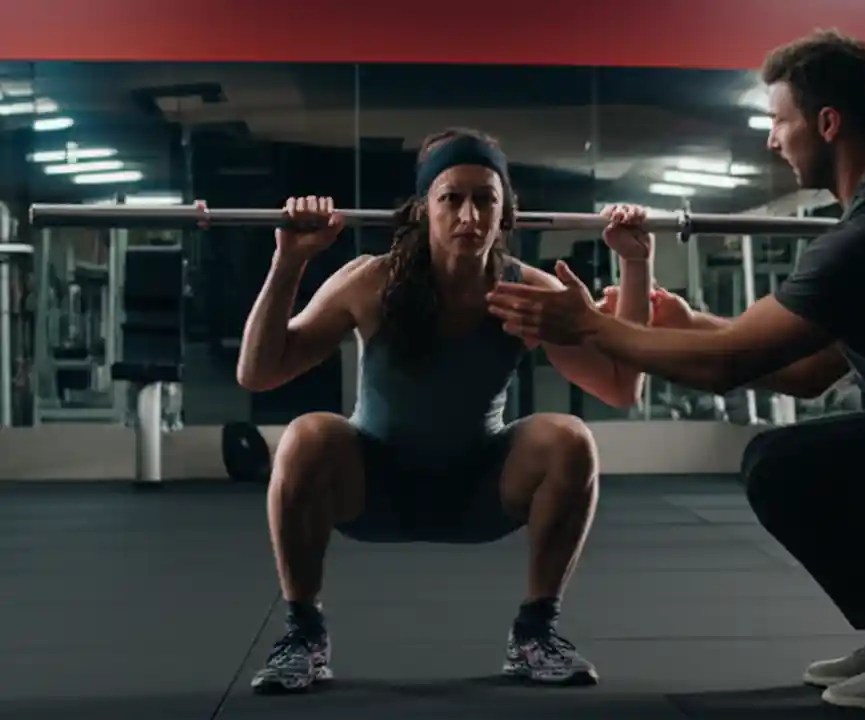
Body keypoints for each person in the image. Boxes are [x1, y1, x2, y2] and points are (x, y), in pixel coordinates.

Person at [485, 29, 865, 713]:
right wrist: (688, 323)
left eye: (779, 121)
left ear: (827, 123)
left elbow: (727, 368)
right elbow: (808, 370)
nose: (772, 139)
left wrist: (590, 327)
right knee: (804, 458)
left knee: (781, 467)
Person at [235, 127, 657, 693]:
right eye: (451, 198)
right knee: (306, 436)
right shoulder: (370, 281)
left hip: (478, 491)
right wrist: (288, 261)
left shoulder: (524, 292)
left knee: (570, 439)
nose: (469, 216)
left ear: (505, 211)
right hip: (374, 489)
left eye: (485, 199)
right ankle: (303, 637)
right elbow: (258, 372)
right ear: (422, 210)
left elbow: (620, 385)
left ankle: (535, 635)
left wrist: (634, 265)